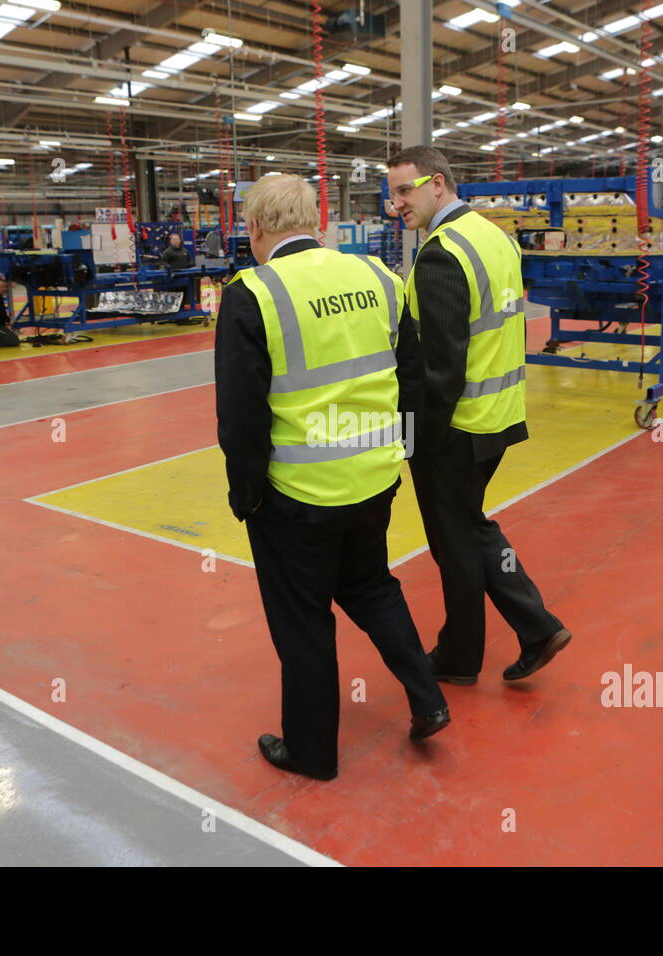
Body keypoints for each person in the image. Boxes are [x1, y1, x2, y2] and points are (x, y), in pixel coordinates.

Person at [214, 172, 449, 781]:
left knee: (304, 623)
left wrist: (246, 499)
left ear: (256, 228)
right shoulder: (378, 276)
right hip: (373, 480)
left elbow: (241, 414)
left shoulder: (252, 292)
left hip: (296, 497)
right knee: (371, 587)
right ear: (318, 221)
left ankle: (313, 753)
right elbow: (412, 379)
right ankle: (429, 697)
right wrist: (405, 455)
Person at [386, 145, 571, 686]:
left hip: (457, 426)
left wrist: (417, 437)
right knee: (466, 532)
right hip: (499, 413)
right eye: (392, 192)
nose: (397, 203)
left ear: (437, 183)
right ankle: (531, 628)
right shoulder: (495, 237)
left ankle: (466, 654)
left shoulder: (442, 253)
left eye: (405, 189)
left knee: (456, 538)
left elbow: (442, 367)